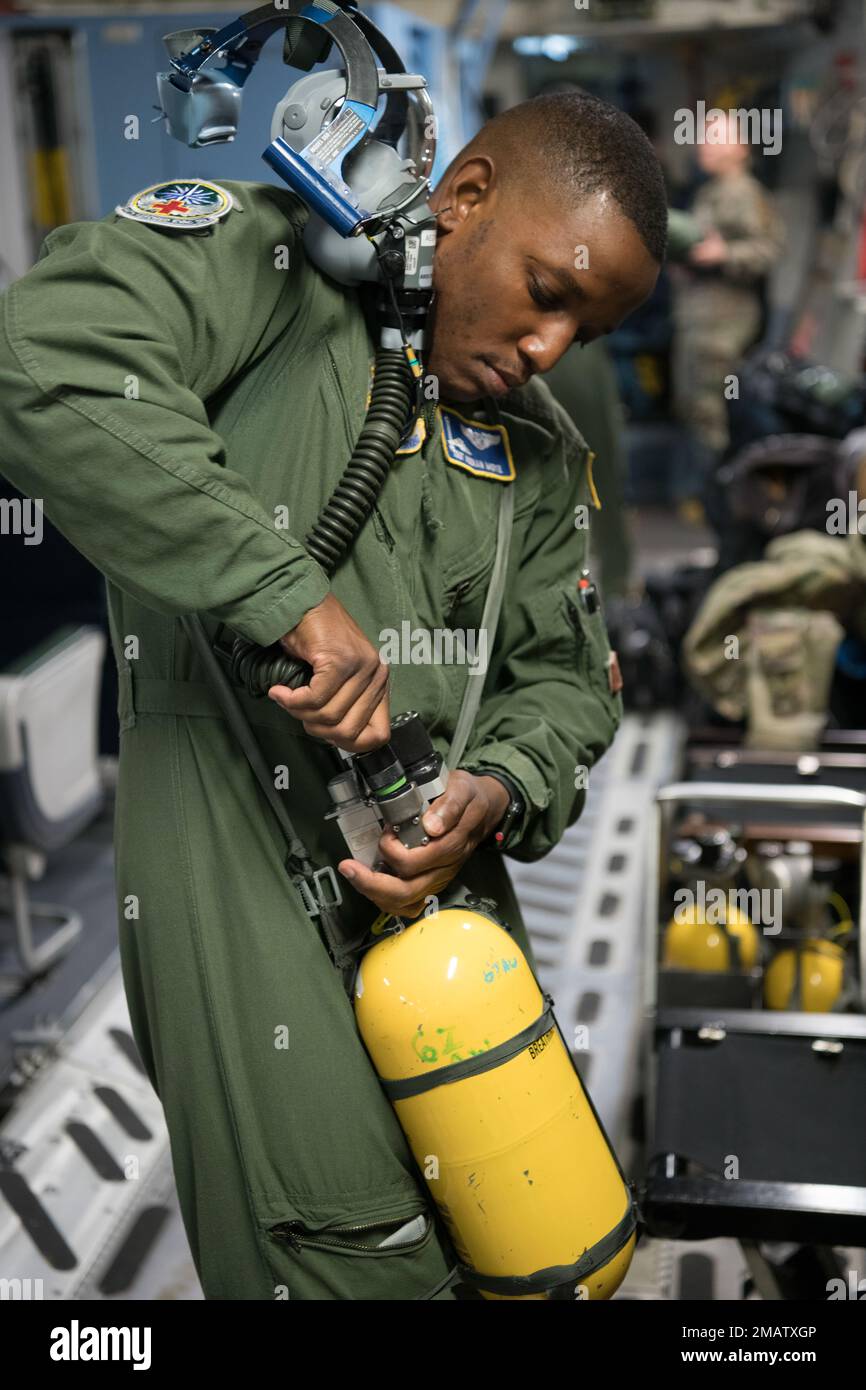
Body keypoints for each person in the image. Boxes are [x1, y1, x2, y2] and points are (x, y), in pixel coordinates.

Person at [0, 90, 663, 1299]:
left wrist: (498, 782)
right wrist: (277, 587)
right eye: (547, 294)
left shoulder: (535, 444)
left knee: (513, 1226)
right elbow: (42, 362)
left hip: (445, 901)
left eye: (588, 331)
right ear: (462, 200)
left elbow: (563, 682)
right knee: (347, 1252)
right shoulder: (259, 275)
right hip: (238, 871)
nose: (549, 349)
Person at [671, 111, 783, 522]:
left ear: (740, 147)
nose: (704, 146)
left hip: (724, 326)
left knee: (712, 416)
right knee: (694, 409)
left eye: (714, 138)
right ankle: (712, 505)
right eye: (703, 138)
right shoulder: (710, 194)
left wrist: (724, 255)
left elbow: (767, 251)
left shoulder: (742, 192)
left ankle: (728, 513)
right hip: (699, 321)